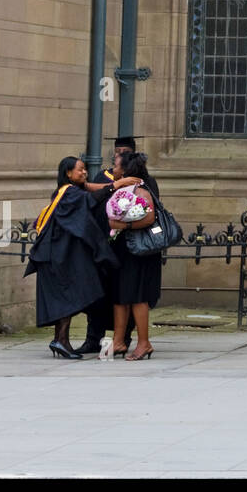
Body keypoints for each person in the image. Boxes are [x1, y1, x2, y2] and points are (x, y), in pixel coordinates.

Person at [24, 157, 119, 359]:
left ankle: (61, 340)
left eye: (85, 169)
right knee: (70, 296)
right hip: (57, 258)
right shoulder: (70, 193)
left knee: (66, 297)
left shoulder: (66, 192)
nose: (84, 172)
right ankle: (61, 340)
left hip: (57, 256)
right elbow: (91, 201)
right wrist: (115, 186)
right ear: (68, 173)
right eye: (80, 169)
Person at [79, 136, 143, 354]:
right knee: (97, 293)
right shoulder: (104, 176)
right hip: (101, 243)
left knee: (123, 295)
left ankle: (123, 337)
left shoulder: (139, 181)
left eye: (126, 151)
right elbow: (94, 196)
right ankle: (93, 337)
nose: (120, 155)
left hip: (125, 247)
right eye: (118, 152)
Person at [109, 151, 163, 360]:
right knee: (120, 296)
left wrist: (123, 224)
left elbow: (149, 218)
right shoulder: (124, 189)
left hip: (138, 251)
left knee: (137, 296)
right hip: (124, 250)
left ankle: (144, 343)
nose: (113, 169)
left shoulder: (141, 190)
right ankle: (118, 341)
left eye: (115, 165)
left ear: (125, 170)